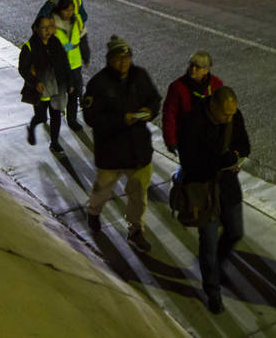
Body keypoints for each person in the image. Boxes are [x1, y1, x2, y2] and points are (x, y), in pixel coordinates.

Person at [83, 36, 161, 253]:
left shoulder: (140, 76)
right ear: (109, 60)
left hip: (138, 150)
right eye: (118, 58)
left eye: (127, 58)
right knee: (103, 189)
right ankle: (94, 212)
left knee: (138, 195)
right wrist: (120, 120)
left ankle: (136, 230)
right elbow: (90, 117)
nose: (124, 62)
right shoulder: (98, 84)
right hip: (111, 151)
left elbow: (155, 99)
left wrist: (150, 112)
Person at [177, 86, 250, 314]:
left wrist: (236, 157)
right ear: (213, 106)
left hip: (227, 185)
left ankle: (217, 265)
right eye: (226, 114)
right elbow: (190, 165)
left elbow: (245, 144)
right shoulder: (191, 123)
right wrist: (220, 162)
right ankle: (213, 291)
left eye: (232, 113)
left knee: (235, 231)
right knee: (208, 242)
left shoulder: (233, 115)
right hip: (203, 190)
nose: (230, 118)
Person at [19, 15, 74, 153]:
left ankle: (54, 142)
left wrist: (70, 82)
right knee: (41, 117)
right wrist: (34, 82)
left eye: (50, 27)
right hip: (40, 90)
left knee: (56, 115)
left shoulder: (55, 42)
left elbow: (64, 63)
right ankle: (32, 127)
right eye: (44, 28)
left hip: (57, 87)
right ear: (36, 29)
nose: (48, 31)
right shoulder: (29, 47)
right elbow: (23, 69)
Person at [162, 50, 224, 154]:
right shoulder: (177, 87)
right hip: (187, 139)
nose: (193, 69)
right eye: (191, 65)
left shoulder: (216, 85)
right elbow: (169, 115)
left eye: (197, 67)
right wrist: (170, 141)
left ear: (207, 69)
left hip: (210, 140)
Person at [52, 0, 87, 132]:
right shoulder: (53, 24)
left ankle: (72, 119)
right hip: (60, 66)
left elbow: (82, 38)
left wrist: (85, 55)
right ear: (60, 9)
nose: (69, 13)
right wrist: (68, 47)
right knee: (60, 93)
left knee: (75, 93)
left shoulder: (77, 20)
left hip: (75, 63)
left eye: (71, 10)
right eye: (66, 10)